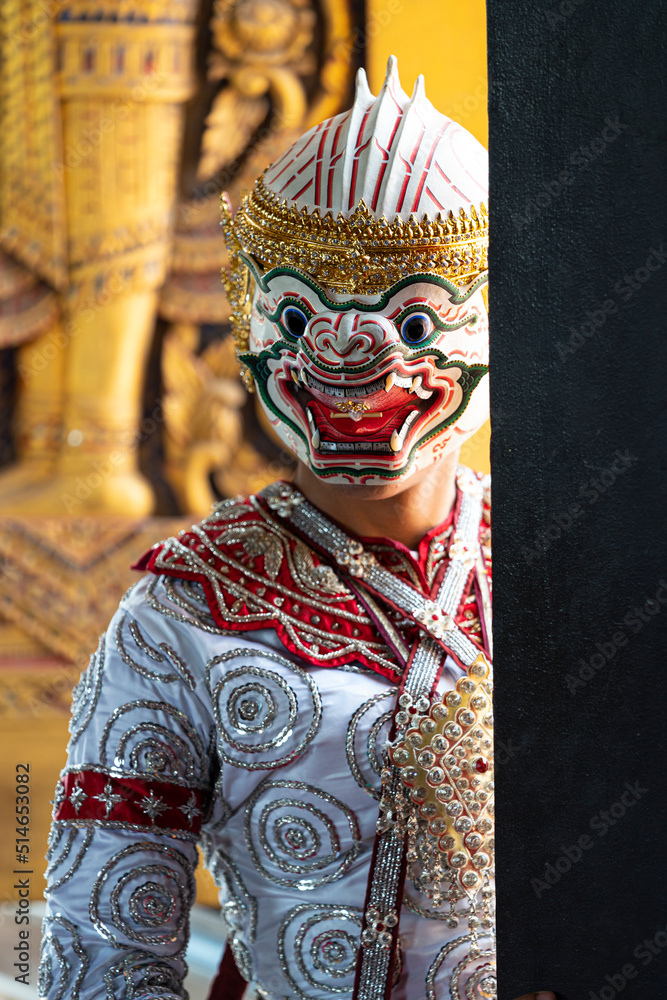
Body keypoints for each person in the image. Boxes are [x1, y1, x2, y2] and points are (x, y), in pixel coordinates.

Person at [39, 58, 555, 1000]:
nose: (346, 350)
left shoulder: (569, 554)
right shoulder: (184, 610)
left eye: (409, 315)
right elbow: (103, 961)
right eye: (297, 311)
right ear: (246, 322)